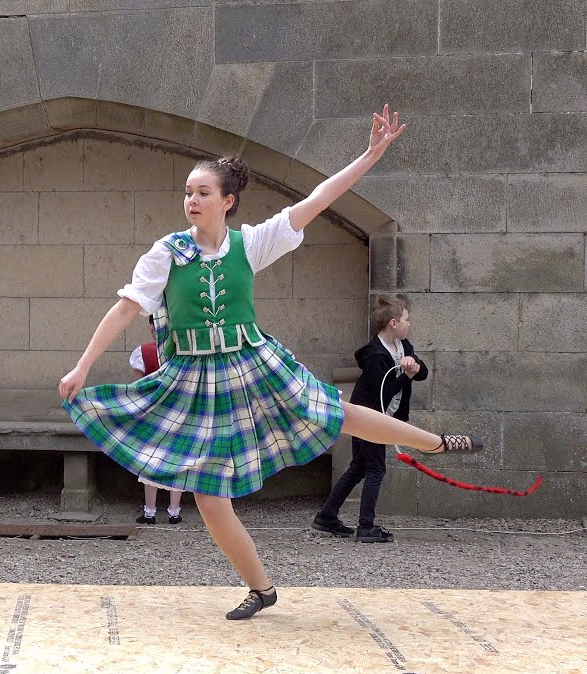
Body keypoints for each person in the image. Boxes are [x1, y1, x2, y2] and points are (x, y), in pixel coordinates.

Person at [59, 106, 481, 621]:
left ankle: (435, 443)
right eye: (188, 192)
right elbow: (127, 307)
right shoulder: (165, 253)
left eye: (203, 192)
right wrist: (82, 366)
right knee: (211, 501)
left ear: (227, 201)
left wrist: (370, 155)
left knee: (335, 412)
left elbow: (318, 199)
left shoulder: (250, 243)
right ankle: (262, 589)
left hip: (252, 363)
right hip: (194, 380)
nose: (192, 200)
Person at [312, 296, 427, 543]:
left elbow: (423, 373)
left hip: (384, 418)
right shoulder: (375, 355)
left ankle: (326, 516)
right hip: (369, 418)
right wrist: (405, 376)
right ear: (393, 323)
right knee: (375, 468)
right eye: (407, 319)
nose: (410, 324)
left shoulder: (404, 346)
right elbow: (383, 393)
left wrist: (413, 365)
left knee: (359, 467)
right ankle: (366, 526)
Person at [129, 325, 182, 526]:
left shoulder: (143, 353)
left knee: (150, 461)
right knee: (177, 461)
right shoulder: (184, 352)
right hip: (178, 412)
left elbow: (140, 388)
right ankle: (173, 512)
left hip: (154, 414)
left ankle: (150, 512)